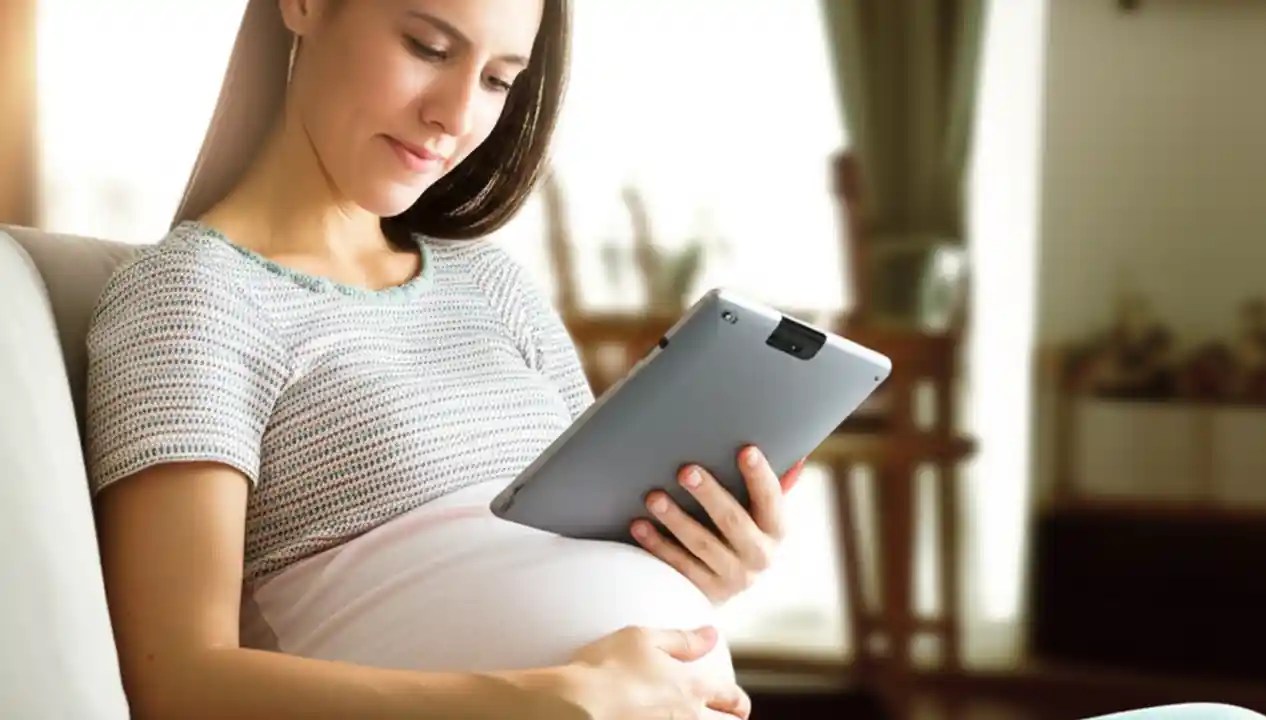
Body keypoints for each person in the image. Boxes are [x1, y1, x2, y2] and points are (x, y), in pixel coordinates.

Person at [86, 1, 806, 718]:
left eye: (497, 80)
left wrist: (700, 566)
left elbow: (578, 567)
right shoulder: (193, 295)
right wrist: (538, 699)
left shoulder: (489, 283)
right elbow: (175, 679)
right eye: (427, 47)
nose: (457, 116)